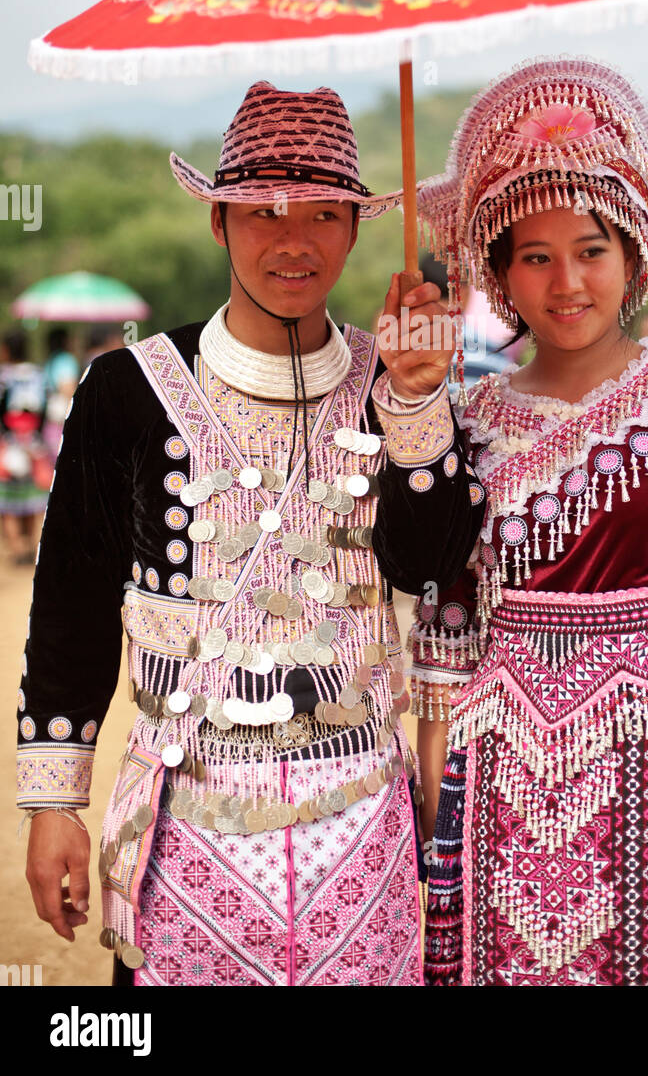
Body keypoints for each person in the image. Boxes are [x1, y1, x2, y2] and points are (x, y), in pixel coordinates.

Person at [16, 80, 480, 987]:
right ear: (219, 221)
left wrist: (419, 401)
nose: (293, 240)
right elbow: (71, 599)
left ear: (355, 228)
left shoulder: (396, 382)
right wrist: (55, 803)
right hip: (186, 831)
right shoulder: (127, 391)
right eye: (264, 212)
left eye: (321, 213)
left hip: (361, 829)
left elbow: (428, 568)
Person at [373, 56, 648, 986]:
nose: (565, 282)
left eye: (591, 251)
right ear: (497, 274)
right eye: (534, 257)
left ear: (635, 260)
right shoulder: (470, 421)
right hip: (499, 769)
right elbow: (447, 630)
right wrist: (435, 789)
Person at [0, 330, 49, 564]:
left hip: (9, 443)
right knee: (34, 499)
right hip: (35, 442)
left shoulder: (4, 377)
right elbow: (46, 408)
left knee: (9, 501)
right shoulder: (39, 374)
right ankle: (32, 547)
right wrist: (35, 439)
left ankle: (18, 549)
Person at [42, 326, 80, 459]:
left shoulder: (50, 360)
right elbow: (68, 389)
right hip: (64, 417)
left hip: (52, 417)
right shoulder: (66, 360)